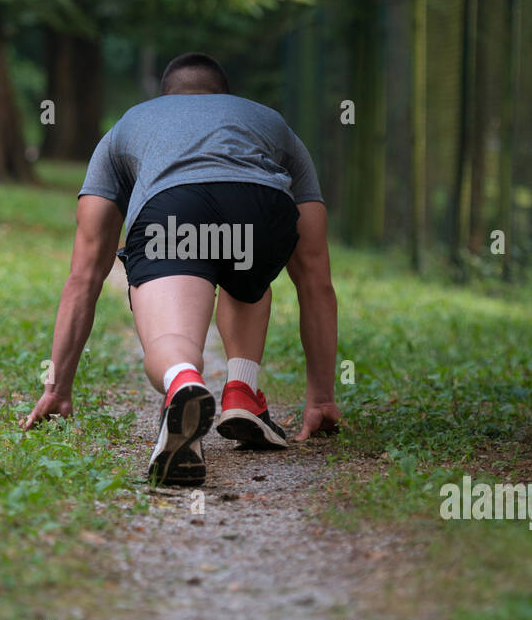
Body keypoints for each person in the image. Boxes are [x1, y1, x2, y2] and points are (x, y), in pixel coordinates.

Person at [22, 52, 341, 486]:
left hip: (174, 209)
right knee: (245, 275)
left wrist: (57, 388)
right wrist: (321, 396)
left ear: (166, 97)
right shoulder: (270, 123)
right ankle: (242, 391)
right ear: (224, 98)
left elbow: (84, 275)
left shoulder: (130, 124)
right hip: (261, 208)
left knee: (171, 338)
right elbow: (316, 280)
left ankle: (183, 384)